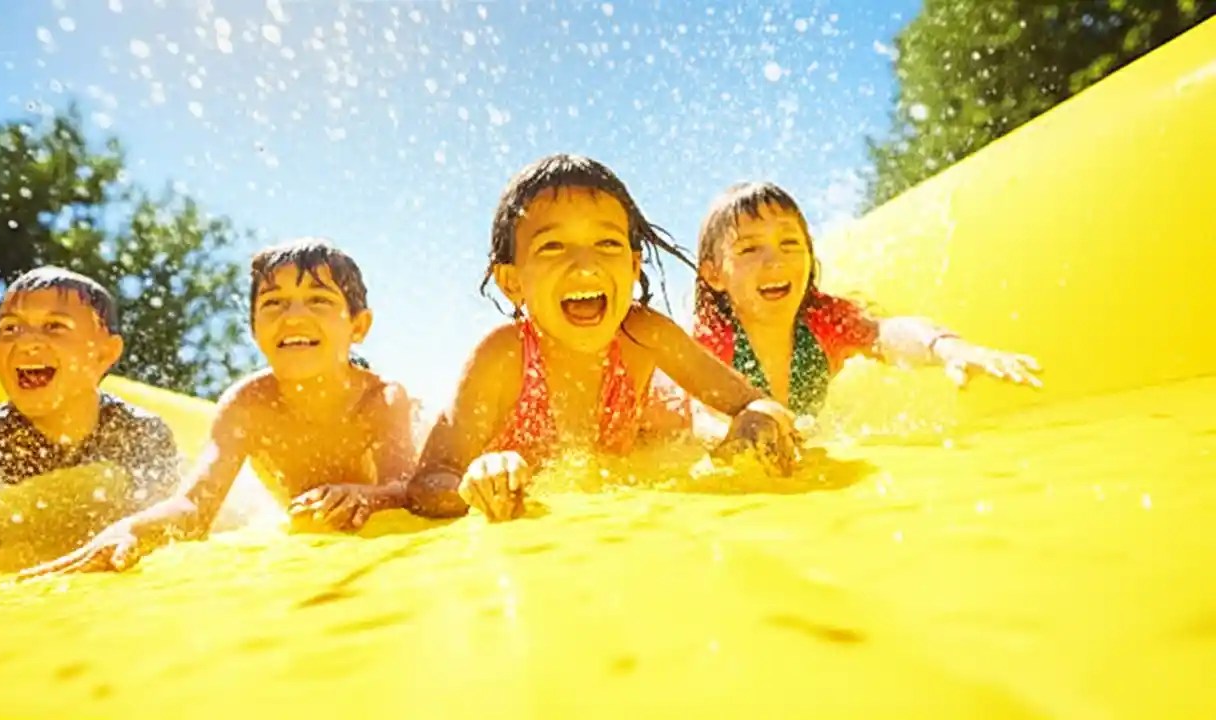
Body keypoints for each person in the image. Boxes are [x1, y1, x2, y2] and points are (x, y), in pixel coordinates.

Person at [408, 154, 801, 524]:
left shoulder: (643, 334)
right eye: (553, 246)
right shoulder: (502, 358)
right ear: (512, 281)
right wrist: (476, 480)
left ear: (633, 266)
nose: (585, 265)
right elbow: (429, 480)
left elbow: (752, 401)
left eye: (607, 243)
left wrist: (758, 422)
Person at [20, 239, 418, 577]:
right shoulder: (248, 404)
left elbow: (404, 486)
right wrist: (132, 529)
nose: (294, 316)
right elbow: (194, 506)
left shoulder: (381, 401)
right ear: (254, 328)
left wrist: (369, 496)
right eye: (274, 303)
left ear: (358, 327)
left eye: (318, 300)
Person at [692, 181, 1041, 422]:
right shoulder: (712, 342)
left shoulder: (822, 321)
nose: (776, 261)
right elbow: (697, 417)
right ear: (714, 275)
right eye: (750, 248)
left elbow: (886, 333)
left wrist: (947, 347)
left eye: (790, 244)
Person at [0, 268, 180, 586]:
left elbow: (174, 529)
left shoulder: (136, 432)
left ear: (105, 353)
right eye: (10, 328)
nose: (26, 343)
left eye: (54, 326)